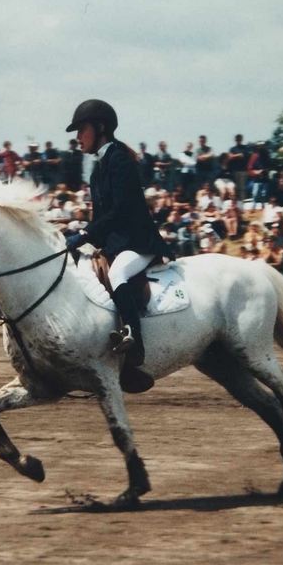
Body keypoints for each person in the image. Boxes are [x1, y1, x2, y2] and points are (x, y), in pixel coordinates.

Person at [63, 99, 172, 385]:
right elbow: (102, 217)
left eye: (81, 130)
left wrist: (85, 234)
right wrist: (83, 240)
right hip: (117, 241)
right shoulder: (98, 170)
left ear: (99, 128)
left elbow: (121, 211)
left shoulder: (120, 161)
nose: (77, 138)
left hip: (139, 241)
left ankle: (135, 343)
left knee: (117, 273)